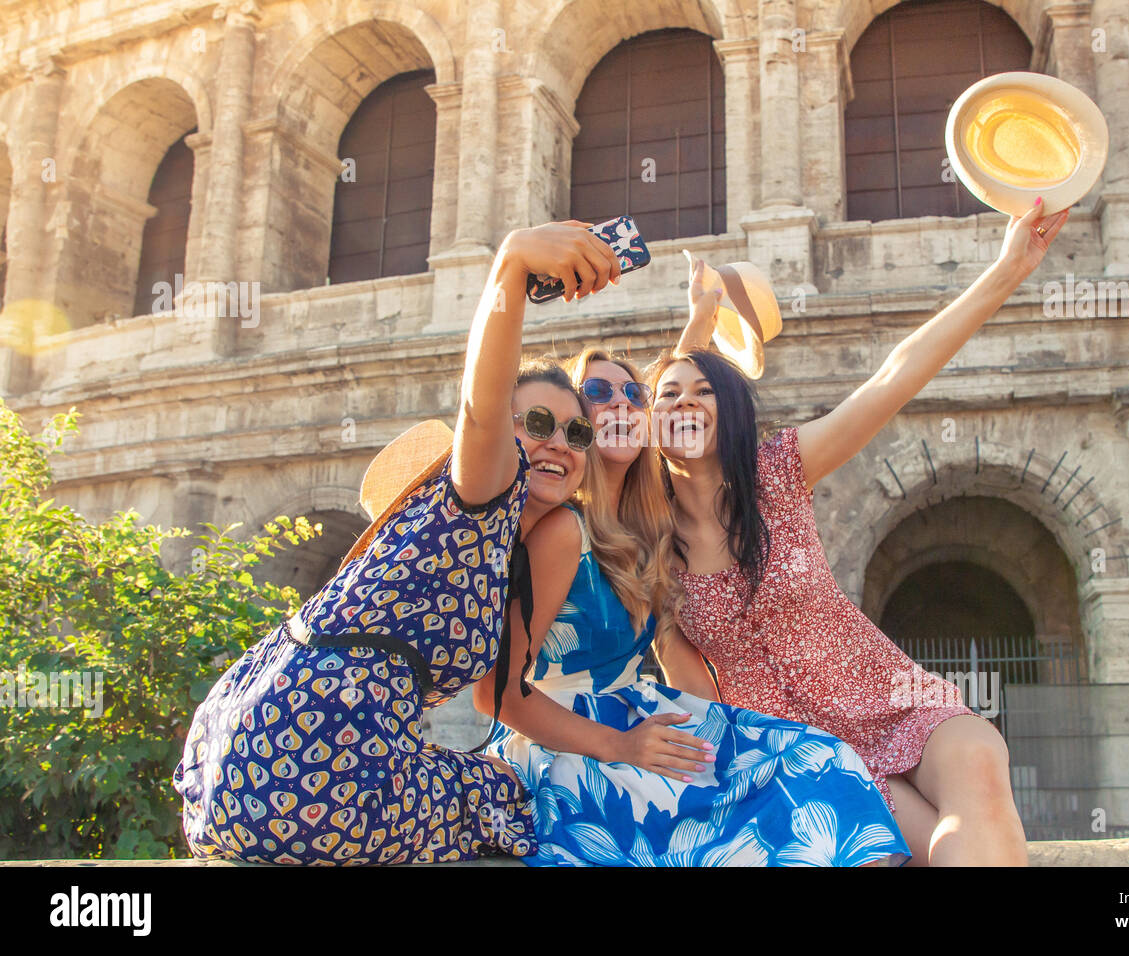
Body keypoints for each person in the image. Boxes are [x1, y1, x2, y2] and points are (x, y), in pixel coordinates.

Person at [171, 219, 623, 864]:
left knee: (499, 789)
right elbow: (480, 404)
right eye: (539, 423)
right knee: (524, 803)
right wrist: (510, 269)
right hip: (304, 782)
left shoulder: (495, 545)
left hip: (231, 781)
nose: (559, 443)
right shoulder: (476, 498)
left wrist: (621, 744)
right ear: (500, 436)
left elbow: (506, 694)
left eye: (578, 435)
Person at [652, 200, 1071, 866]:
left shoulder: (778, 474)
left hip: (889, 697)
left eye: (702, 393)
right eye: (666, 397)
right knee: (937, 848)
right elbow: (692, 691)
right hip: (810, 757)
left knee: (981, 765)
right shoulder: (649, 547)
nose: (683, 404)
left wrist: (1007, 269)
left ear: (729, 411)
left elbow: (893, 377)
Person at [473, 346, 911, 866]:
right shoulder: (565, 529)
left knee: (824, 762)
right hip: (568, 747)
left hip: (634, 725)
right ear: (574, 421)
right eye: (597, 392)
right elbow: (495, 695)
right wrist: (621, 746)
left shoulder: (644, 530)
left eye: (634, 393)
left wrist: (727, 742)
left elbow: (676, 658)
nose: (621, 403)